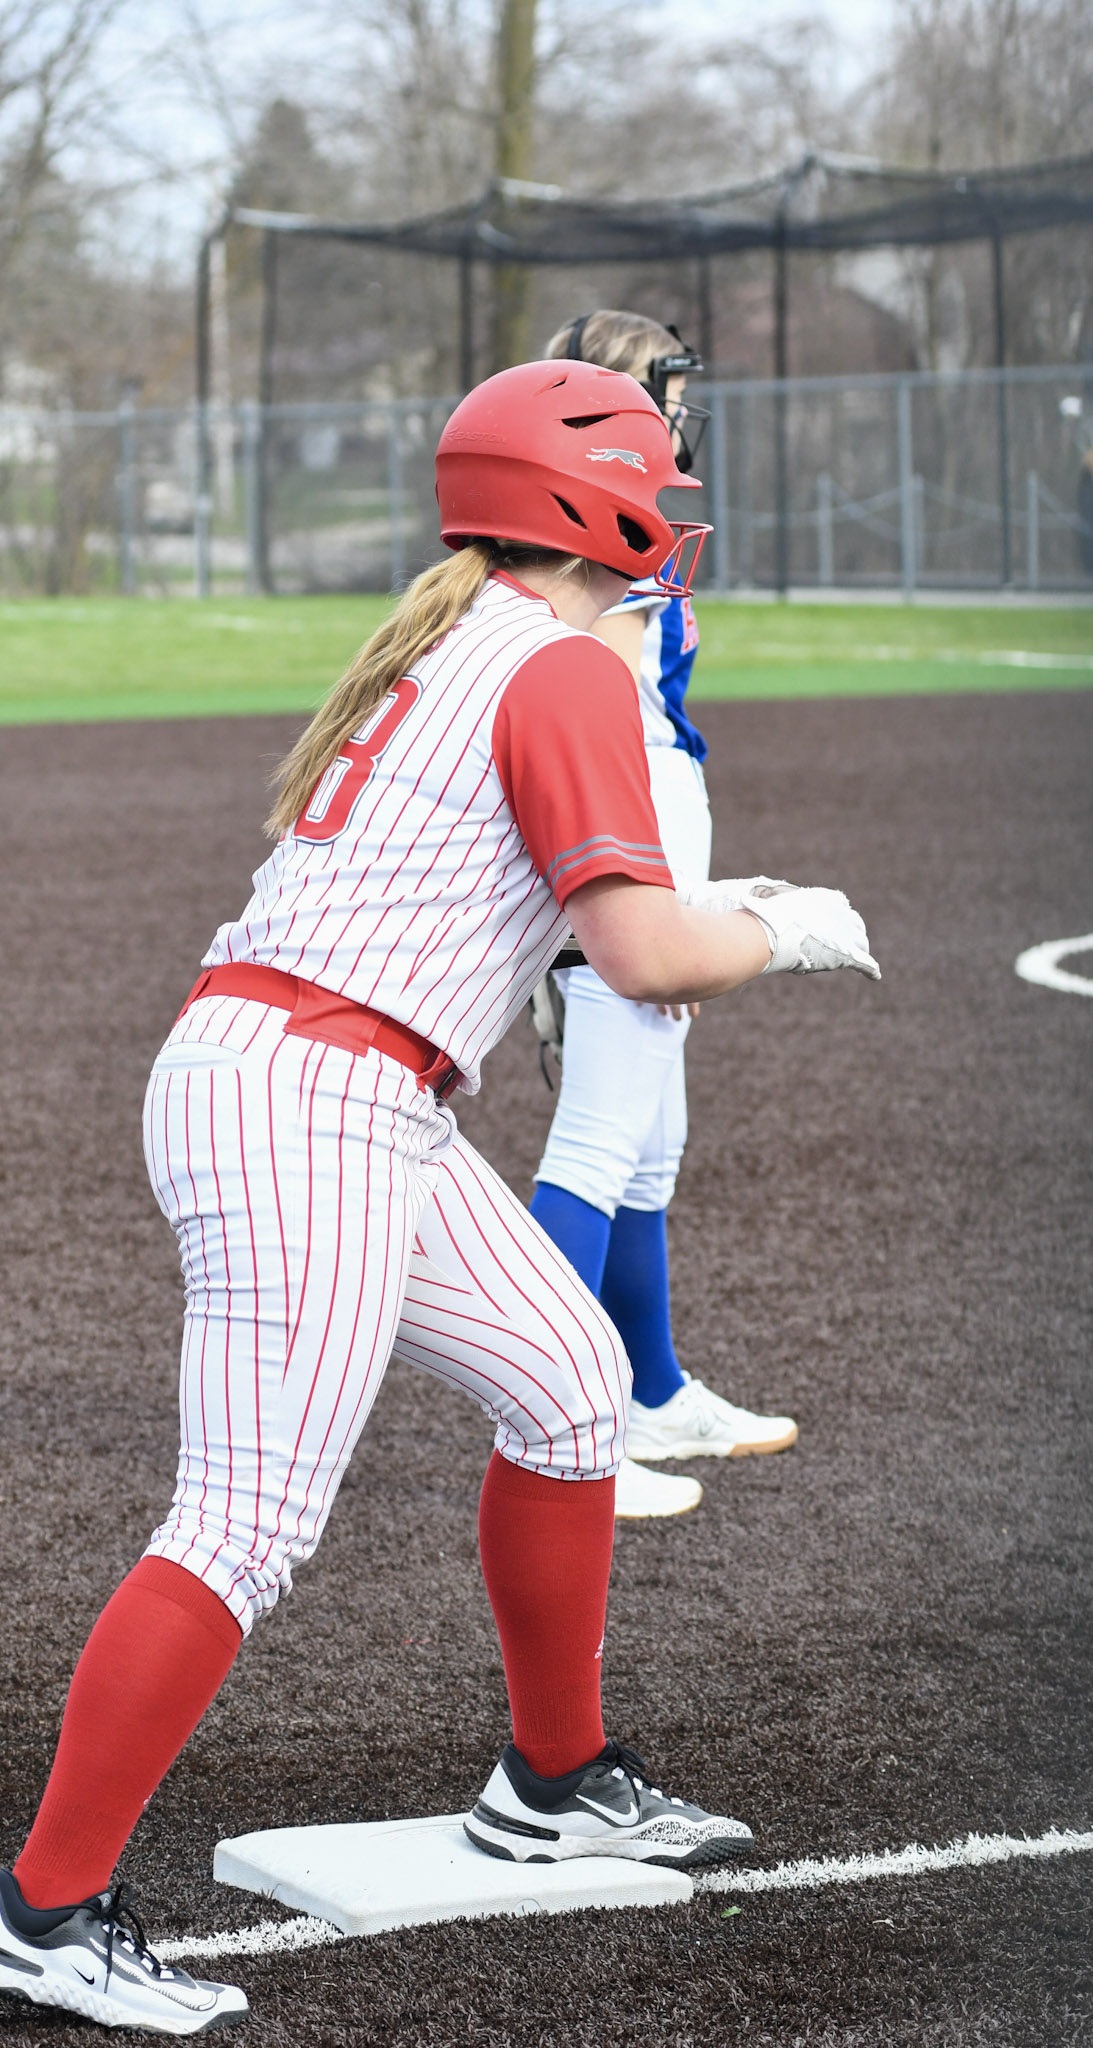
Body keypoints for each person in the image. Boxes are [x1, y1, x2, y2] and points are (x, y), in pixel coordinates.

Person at [0, 359, 879, 2036]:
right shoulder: (565, 662)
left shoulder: (462, 633)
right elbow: (647, 956)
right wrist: (784, 927)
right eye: (649, 476)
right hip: (315, 1095)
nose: (667, 503)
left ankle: (552, 1773)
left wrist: (718, 899)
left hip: (329, 1078)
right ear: (589, 500)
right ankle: (43, 1908)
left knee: (576, 1389)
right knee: (242, 1526)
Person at [528, 311, 797, 1522]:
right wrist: (647, 908)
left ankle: (651, 1387)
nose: (679, 412)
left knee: (651, 1144)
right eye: (659, 391)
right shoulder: (599, 502)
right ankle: (558, 1423)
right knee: (598, 1137)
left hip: (651, 796)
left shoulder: (630, 499)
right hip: (622, 805)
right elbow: (614, 678)